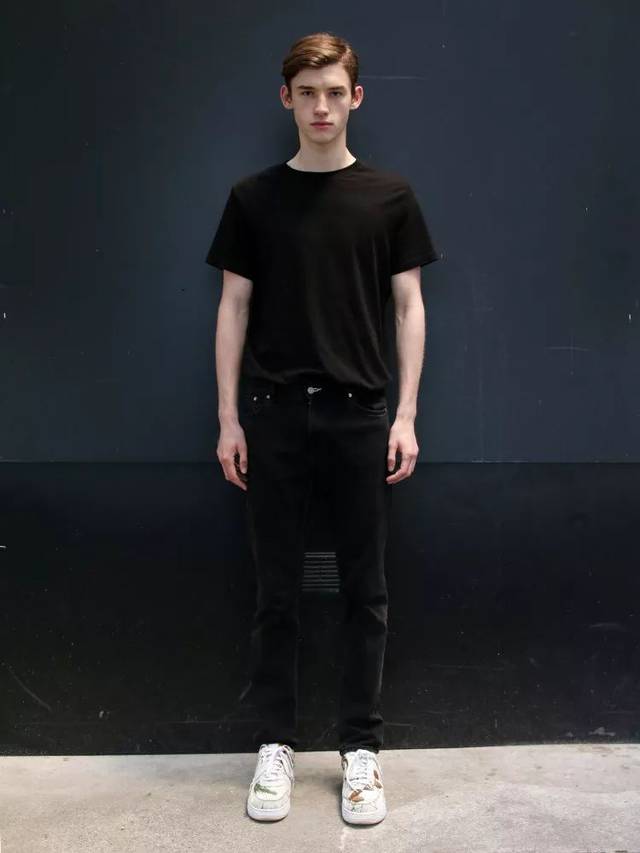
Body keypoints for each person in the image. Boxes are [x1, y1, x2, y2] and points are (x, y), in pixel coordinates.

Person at [205, 31, 439, 825]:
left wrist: (405, 414)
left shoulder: (390, 197)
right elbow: (233, 306)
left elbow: (409, 307)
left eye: (335, 92)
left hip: (360, 417)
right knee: (276, 589)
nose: (321, 107)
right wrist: (228, 417)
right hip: (273, 416)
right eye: (307, 92)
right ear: (287, 99)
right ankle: (275, 743)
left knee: (364, 591)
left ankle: (360, 751)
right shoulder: (253, 199)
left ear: (356, 98)